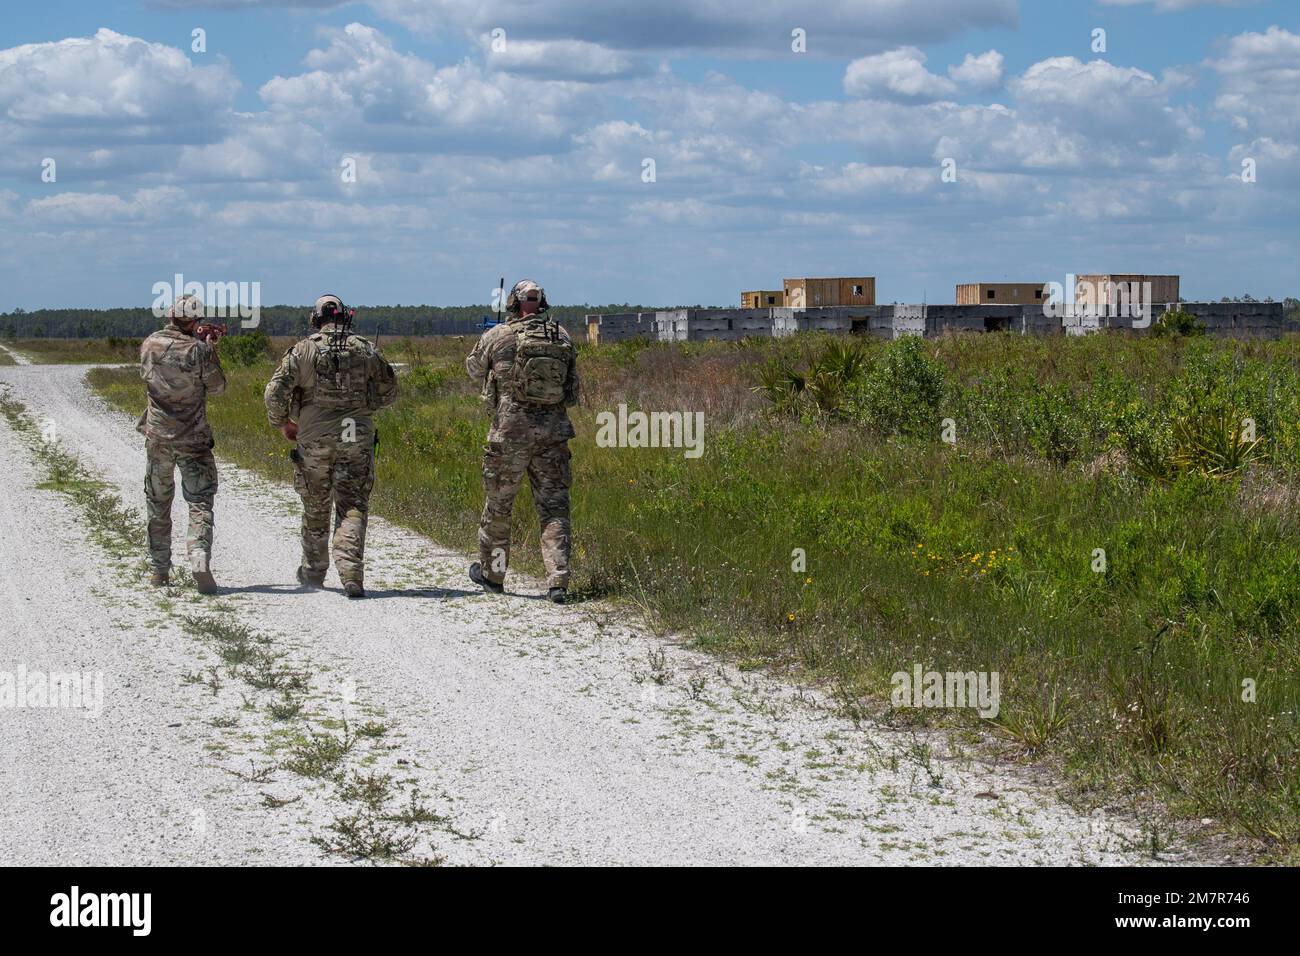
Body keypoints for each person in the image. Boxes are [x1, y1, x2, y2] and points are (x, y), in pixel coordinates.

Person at [264, 294, 397, 598]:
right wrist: (364, 407)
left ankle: (313, 573)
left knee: (315, 504)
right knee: (353, 505)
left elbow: (274, 393)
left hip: (314, 437)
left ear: (316, 318)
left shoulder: (304, 350)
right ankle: (351, 574)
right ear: (346, 318)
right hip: (357, 437)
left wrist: (284, 423)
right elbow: (390, 390)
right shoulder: (366, 349)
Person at [465, 279, 579, 603]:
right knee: (554, 509)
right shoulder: (563, 336)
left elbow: (472, 369)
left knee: (500, 507)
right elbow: (571, 392)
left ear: (513, 304)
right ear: (543, 304)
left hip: (509, 436)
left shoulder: (499, 335)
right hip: (553, 436)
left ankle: (493, 574)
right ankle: (558, 581)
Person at [138, 293, 227, 593]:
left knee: (158, 503)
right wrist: (210, 349)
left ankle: (158, 570)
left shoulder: (149, 344)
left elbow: (149, 377)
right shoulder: (199, 351)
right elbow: (217, 387)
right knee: (200, 501)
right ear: (196, 321)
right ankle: (199, 557)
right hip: (193, 439)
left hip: (159, 437)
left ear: (172, 315)